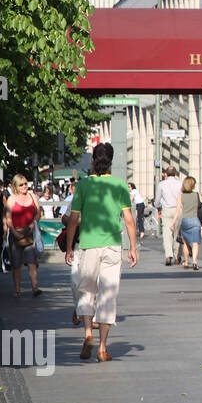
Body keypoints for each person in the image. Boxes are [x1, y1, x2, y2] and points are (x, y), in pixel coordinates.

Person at [65, 143, 137, 363]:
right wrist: (132, 247)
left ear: (93, 161)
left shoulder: (84, 185)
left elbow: (74, 219)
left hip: (88, 244)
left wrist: (69, 247)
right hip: (112, 245)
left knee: (87, 290)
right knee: (108, 294)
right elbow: (129, 220)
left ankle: (88, 334)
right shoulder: (120, 185)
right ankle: (103, 348)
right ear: (111, 161)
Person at [3, 175, 41, 297]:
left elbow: (38, 212)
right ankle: (17, 289)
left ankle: (35, 288)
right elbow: (8, 218)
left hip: (29, 233)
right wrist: (14, 232)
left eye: (25, 183)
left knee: (32, 262)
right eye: (21, 184)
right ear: (15, 186)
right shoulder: (11, 199)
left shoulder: (32, 196)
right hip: (16, 233)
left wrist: (32, 224)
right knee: (16, 264)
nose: (24, 186)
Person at [154, 166, 183, 266]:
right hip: (178, 210)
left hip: (166, 210)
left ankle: (168, 255)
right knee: (177, 233)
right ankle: (177, 256)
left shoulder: (162, 184)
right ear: (175, 174)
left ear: (166, 174)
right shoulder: (180, 184)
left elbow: (157, 200)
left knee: (167, 233)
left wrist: (158, 207)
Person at [173, 176, 202, 270]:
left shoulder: (181, 196)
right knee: (195, 243)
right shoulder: (197, 194)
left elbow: (177, 211)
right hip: (195, 220)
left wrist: (173, 222)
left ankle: (186, 262)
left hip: (185, 220)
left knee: (185, 243)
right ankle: (194, 262)